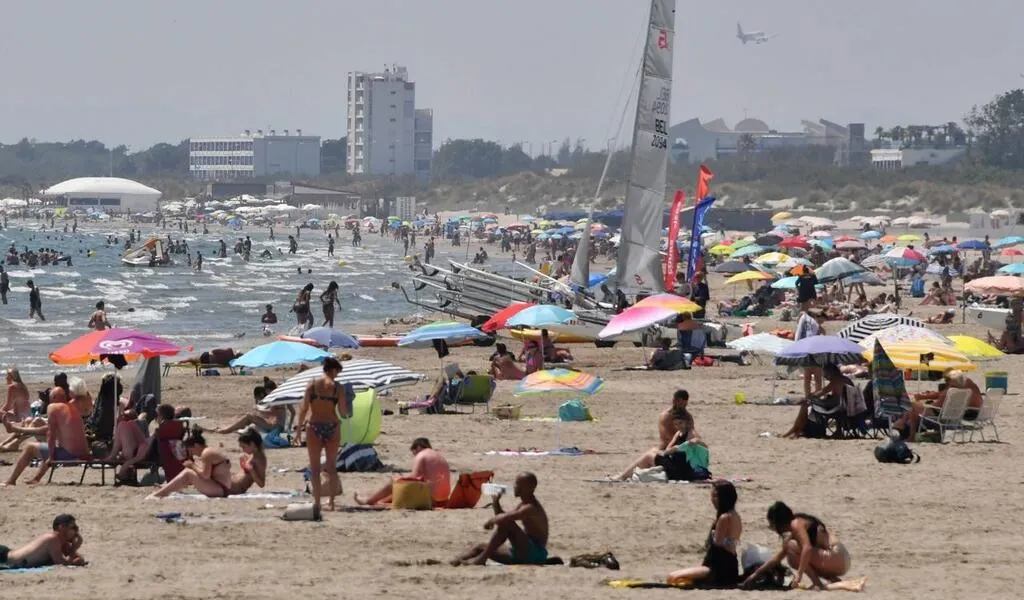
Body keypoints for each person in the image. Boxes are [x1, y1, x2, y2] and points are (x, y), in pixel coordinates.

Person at [743, 502, 863, 592]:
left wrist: (799, 574)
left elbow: (807, 548)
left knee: (792, 550)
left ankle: (817, 584)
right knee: (791, 549)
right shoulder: (796, 527)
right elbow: (777, 558)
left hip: (837, 555)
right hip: (839, 558)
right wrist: (756, 574)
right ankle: (833, 580)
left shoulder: (796, 524)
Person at [453, 472, 549, 566]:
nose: (514, 486)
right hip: (523, 552)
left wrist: (491, 521)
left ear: (528, 488)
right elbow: (503, 518)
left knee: (506, 522)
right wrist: (496, 503)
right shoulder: (523, 504)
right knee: (481, 547)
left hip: (535, 554)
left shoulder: (531, 507)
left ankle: (482, 559)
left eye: (518, 484)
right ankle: (455, 561)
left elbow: (506, 518)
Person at [295, 357, 351, 518]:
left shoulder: (312, 385)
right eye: (338, 372)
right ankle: (332, 502)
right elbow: (344, 412)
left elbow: (304, 408)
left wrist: (298, 430)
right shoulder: (338, 388)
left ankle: (318, 502)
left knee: (315, 468)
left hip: (314, 426)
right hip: (332, 426)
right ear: (333, 370)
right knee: (332, 467)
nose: (337, 376)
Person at [668, 481, 742, 588]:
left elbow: (718, 546)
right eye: (712, 496)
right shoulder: (735, 515)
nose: (713, 499)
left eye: (716, 496)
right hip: (730, 566)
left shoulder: (724, 518)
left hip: (718, 569)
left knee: (672, 577)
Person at [2, 395, 89, 486]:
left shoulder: (56, 409)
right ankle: (36, 478)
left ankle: (11, 481)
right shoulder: (71, 411)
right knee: (47, 447)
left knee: (30, 447)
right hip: (82, 452)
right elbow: (48, 429)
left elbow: (46, 432)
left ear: (54, 399)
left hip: (71, 455)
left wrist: (15, 429)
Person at [616, 390, 703, 480]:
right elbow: (666, 439)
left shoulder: (687, 418)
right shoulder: (666, 417)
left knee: (649, 455)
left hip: (676, 458)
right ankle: (625, 475)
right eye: (679, 403)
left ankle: (622, 476)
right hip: (670, 453)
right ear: (674, 401)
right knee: (653, 451)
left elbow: (693, 439)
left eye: (684, 404)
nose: (682, 407)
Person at [354, 437, 451, 506]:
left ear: (418, 447)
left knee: (395, 483)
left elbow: (414, 477)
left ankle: (368, 501)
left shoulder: (421, 455)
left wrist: (399, 479)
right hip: (443, 498)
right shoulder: (438, 455)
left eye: (414, 453)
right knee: (399, 486)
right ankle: (377, 499)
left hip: (431, 499)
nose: (414, 455)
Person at [146, 429, 233, 499]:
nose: (192, 454)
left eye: (191, 450)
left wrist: (192, 465)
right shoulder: (210, 450)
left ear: (196, 445)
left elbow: (205, 475)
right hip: (222, 488)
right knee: (189, 473)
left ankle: (161, 493)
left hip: (220, 489)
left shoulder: (207, 453)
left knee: (188, 473)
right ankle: (166, 489)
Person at [781, 364, 853, 439]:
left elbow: (822, 392)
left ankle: (796, 431)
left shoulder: (836, 380)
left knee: (805, 405)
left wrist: (806, 398)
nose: (825, 377)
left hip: (836, 407)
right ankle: (795, 430)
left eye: (826, 374)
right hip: (845, 406)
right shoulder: (845, 379)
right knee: (808, 402)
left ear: (831, 372)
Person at [0, 514, 87, 568]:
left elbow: (79, 560)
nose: (76, 532)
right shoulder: (53, 539)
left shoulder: (62, 542)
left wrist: (75, 547)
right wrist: (75, 547)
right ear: (62, 527)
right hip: (4, 557)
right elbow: (63, 564)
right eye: (73, 528)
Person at [215, 386, 290, 434]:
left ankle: (226, 430)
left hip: (276, 427)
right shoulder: (277, 398)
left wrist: (258, 409)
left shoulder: (276, 399)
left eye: (267, 391)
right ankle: (228, 428)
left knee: (249, 416)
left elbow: (271, 412)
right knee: (249, 418)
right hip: (276, 425)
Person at [794, 309, 826, 398]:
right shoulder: (810, 323)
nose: (821, 323)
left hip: (813, 352)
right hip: (811, 352)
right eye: (821, 320)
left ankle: (813, 395)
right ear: (817, 317)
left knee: (813, 376)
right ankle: (812, 395)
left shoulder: (816, 327)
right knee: (811, 376)